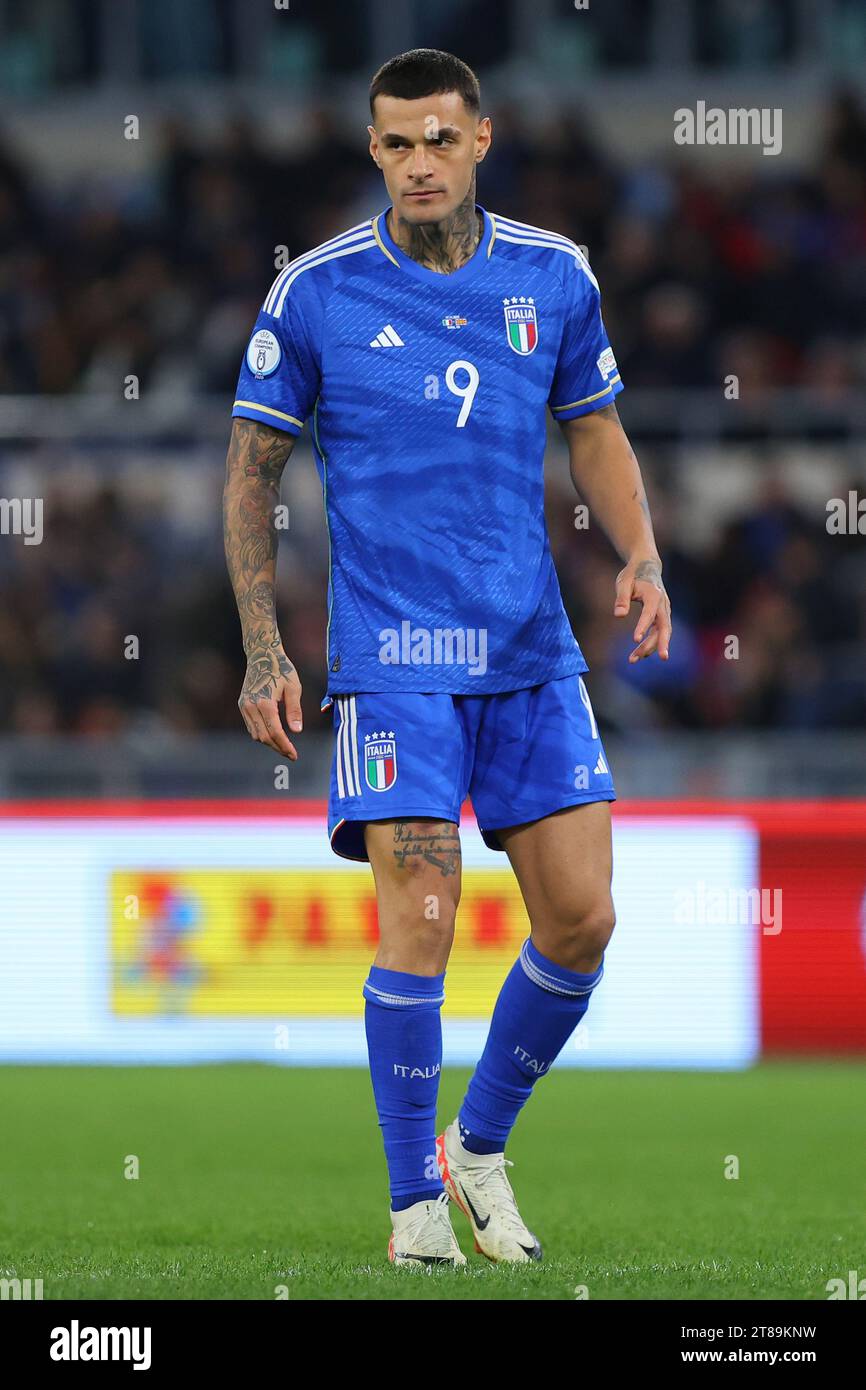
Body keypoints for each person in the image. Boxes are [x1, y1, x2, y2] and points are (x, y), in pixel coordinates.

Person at [223, 48, 671, 1269]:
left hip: (528, 651)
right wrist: (265, 647)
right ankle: (413, 1199)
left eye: (436, 138)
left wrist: (638, 554)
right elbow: (251, 475)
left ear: (482, 137)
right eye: (392, 143)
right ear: (371, 152)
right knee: (421, 915)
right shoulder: (313, 293)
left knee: (581, 919)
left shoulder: (551, 275)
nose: (416, 161)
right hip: (393, 658)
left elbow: (595, 429)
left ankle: (478, 1147)